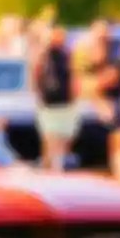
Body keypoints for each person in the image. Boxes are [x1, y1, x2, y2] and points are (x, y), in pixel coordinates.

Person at [30, 26, 78, 171]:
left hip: (62, 104)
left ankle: (56, 167)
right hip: (50, 104)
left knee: (61, 139)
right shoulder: (43, 56)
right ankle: (51, 169)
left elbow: (72, 79)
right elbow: (35, 76)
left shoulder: (65, 55)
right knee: (50, 139)